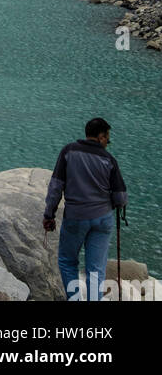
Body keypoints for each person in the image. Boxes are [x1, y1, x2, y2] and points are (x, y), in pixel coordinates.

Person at [43, 117, 129, 301]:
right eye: (108, 138)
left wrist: (49, 214)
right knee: (96, 268)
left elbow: (56, 187)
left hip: (75, 217)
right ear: (100, 137)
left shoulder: (69, 151)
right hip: (103, 219)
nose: (108, 142)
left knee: (67, 262)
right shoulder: (109, 160)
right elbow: (121, 197)